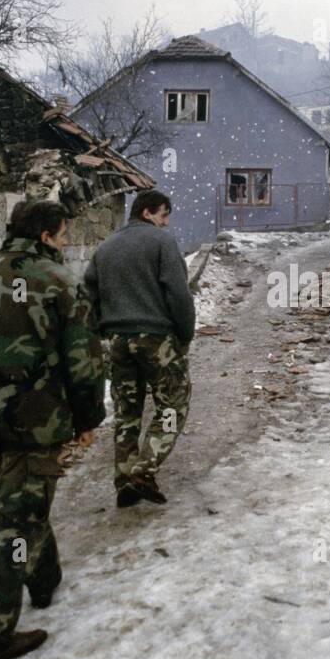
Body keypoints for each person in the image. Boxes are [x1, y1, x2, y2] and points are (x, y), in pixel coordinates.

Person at [0, 200, 106, 659]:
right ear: (48, 235)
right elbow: (85, 363)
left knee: (22, 503)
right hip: (33, 422)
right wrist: (88, 419)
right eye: (65, 235)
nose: (68, 243)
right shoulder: (61, 284)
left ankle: (45, 578)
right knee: (16, 524)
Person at [84, 189, 195, 508]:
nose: (166, 221)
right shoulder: (162, 243)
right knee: (174, 403)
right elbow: (178, 294)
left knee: (127, 410)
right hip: (156, 338)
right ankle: (144, 471)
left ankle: (124, 479)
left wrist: (99, 330)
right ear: (147, 213)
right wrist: (184, 335)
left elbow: (87, 296)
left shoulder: (105, 247)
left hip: (117, 341)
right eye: (163, 214)